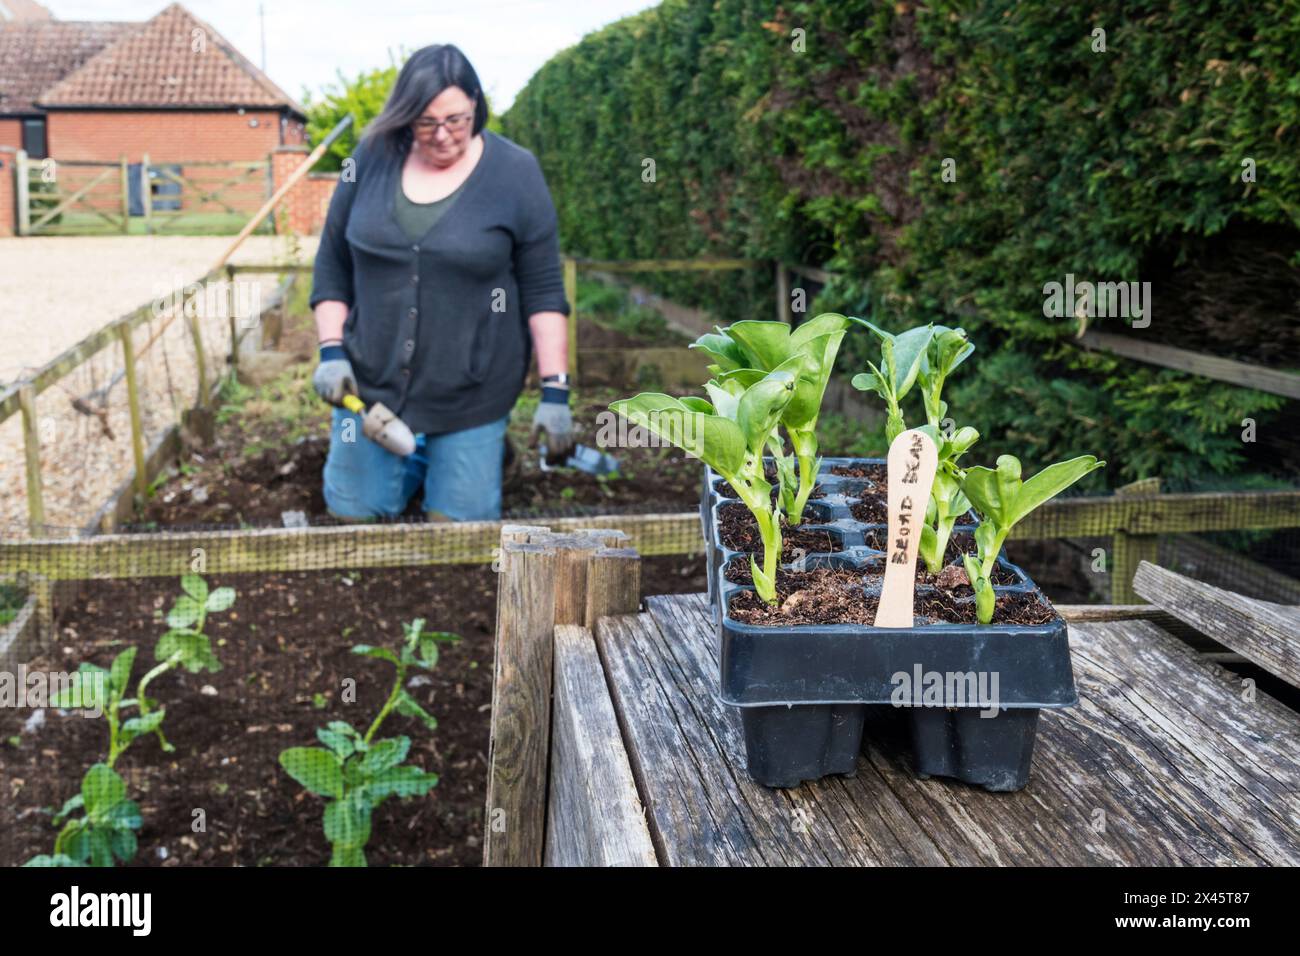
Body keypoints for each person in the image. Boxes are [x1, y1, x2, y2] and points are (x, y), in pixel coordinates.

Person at [309, 43, 574, 521]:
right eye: (426, 123)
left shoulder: (515, 173)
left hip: (472, 389)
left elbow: (543, 291)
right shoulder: (370, 158)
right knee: (354, 514)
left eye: (456, 119)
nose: (444, 135)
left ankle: (471, 454)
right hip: (371, 383)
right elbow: (332, 262)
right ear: (404, 116)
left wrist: (555, 391)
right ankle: (414, 459)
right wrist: (331, 352)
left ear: (476, 103)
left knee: (460, 528)